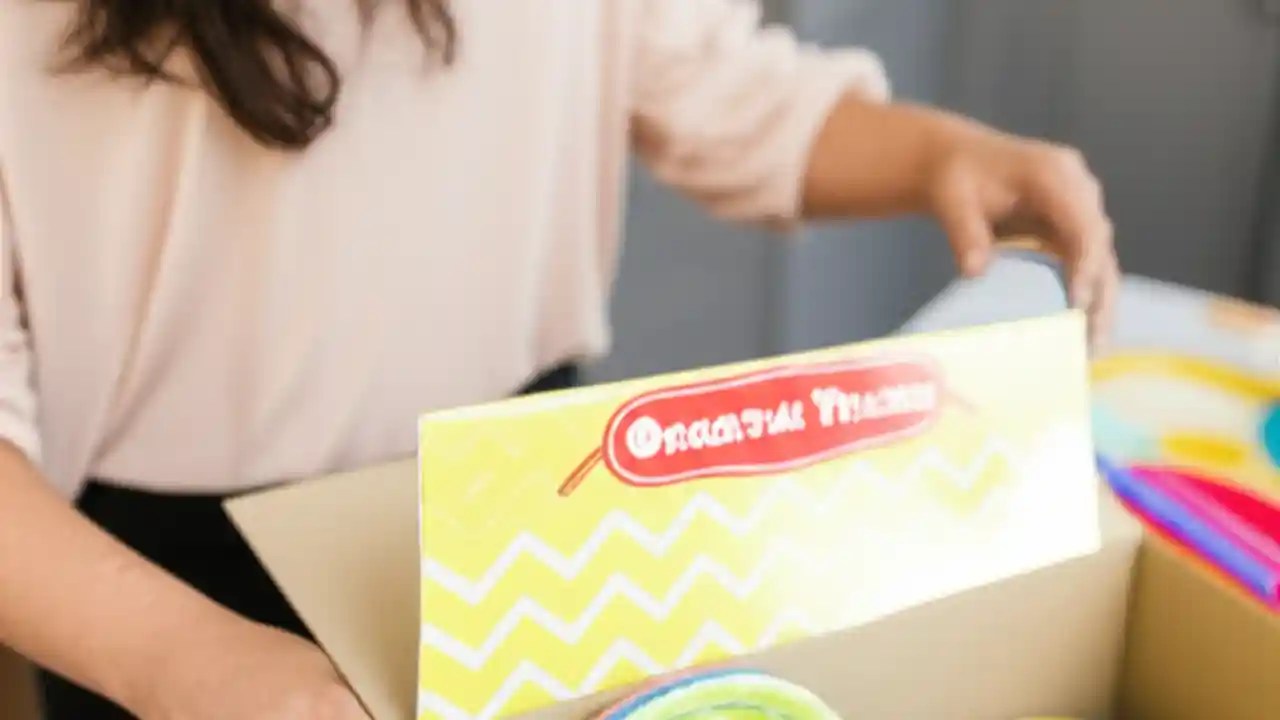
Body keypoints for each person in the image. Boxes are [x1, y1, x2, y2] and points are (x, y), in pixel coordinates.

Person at [0, 1, 1118, 718]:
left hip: (537, 515)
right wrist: (170, 660)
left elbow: (716, 89)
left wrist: (933, 154)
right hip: (145, 578)